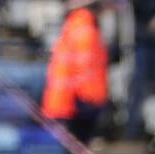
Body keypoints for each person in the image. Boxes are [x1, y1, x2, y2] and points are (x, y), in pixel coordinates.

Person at [41, 0, 108, 144]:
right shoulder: (85, 29)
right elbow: (85, 69)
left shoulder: (73, 25)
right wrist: (93, 102)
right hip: (75, 105)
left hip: (63, 103)